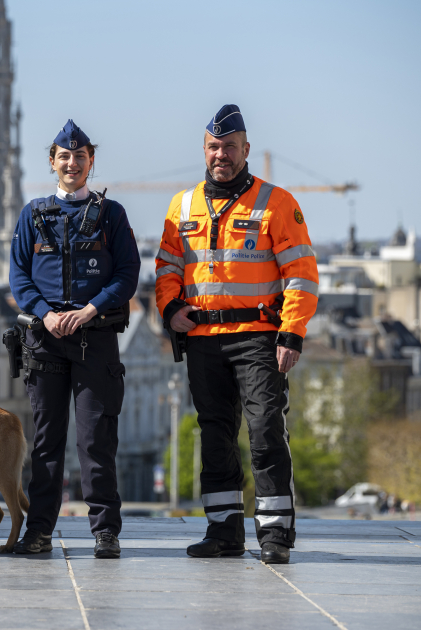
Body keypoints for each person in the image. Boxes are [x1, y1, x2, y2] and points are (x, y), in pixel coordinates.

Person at [154, 104, 319, 564]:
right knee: (214, 436)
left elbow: (302, 273)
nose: (220, 154)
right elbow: (167, 266)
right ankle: (224, 531)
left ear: (246, 150)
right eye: (213, 146)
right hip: (203, 339)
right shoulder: (182, 204)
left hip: (259, 337)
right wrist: (170, 308)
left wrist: (292, 332)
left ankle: (275, 535)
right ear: (203, 150)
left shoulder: (277, 202)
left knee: (266, 431)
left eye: (229, 146)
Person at [9, 120, 140, 559]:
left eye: (79, 156)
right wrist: (46, 316)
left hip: (95, 338)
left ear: (91, 162)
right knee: (47, 441)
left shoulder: (111, 215)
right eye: (64, 156)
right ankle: (39, 530)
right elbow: (19, 278)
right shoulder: (33, 215)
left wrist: (90, 309)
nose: (72, 163)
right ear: (52, 162)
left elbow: (127, 275)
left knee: (95, 440)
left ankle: (105, 531)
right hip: (44, 341)